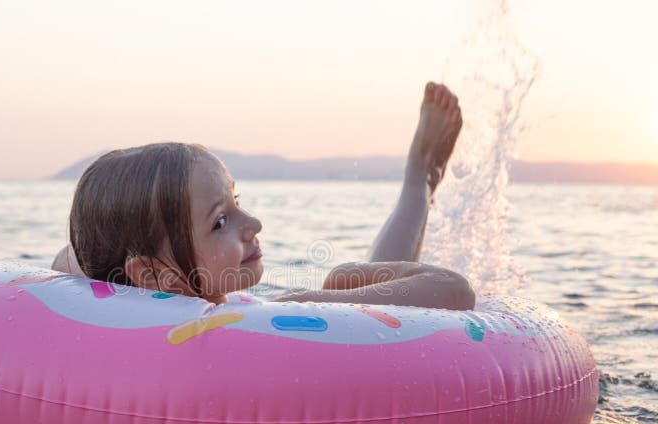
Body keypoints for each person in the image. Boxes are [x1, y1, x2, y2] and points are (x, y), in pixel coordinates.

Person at [52, 82, 474, 310]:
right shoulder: (287, 311)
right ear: (152, 275)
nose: (254, 224)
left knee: (353, 277)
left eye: (236, 203)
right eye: (220, 221)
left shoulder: (123, 296)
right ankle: (418, 182)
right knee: (349, 276)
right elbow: (454, 290)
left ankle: (419, 180)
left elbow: (68, 258)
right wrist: (321, 299)